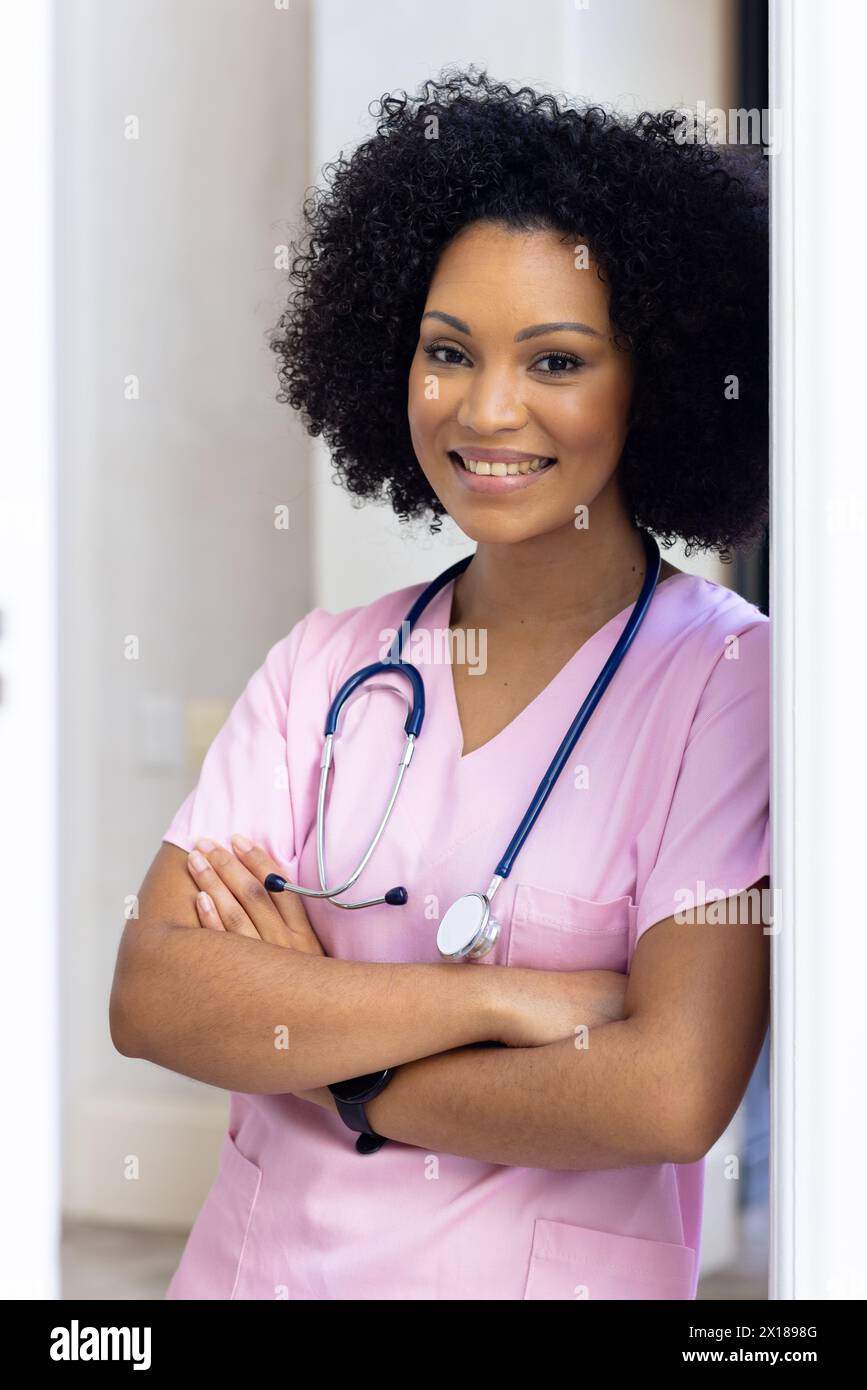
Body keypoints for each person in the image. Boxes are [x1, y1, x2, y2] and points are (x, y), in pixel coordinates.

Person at [110, 70, 771, 1301]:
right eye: (448, 351)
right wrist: (516, 1003)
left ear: (658, 381)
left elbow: (670, 1091)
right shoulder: (327, 665)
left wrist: (331, 1053)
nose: (489, 408)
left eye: (557, 358)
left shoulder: (726, 680)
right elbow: (155, 993)